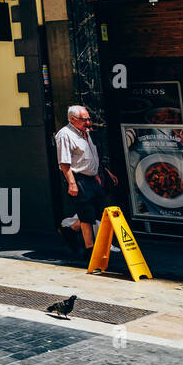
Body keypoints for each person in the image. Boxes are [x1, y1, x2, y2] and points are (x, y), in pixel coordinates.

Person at [56, 105, 116, 261]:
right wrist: (72, 183)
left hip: (92, 177)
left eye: (89, 118)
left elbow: (93, 155)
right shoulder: (65, 135)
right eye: (85, 119)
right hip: (78, 178)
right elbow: (64, 163)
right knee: (86, 213)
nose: (89, 122)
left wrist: (104, 173)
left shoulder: (86, 133)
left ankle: (71, 230)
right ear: (72, 119)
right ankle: (89, 249)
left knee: (99, 210)